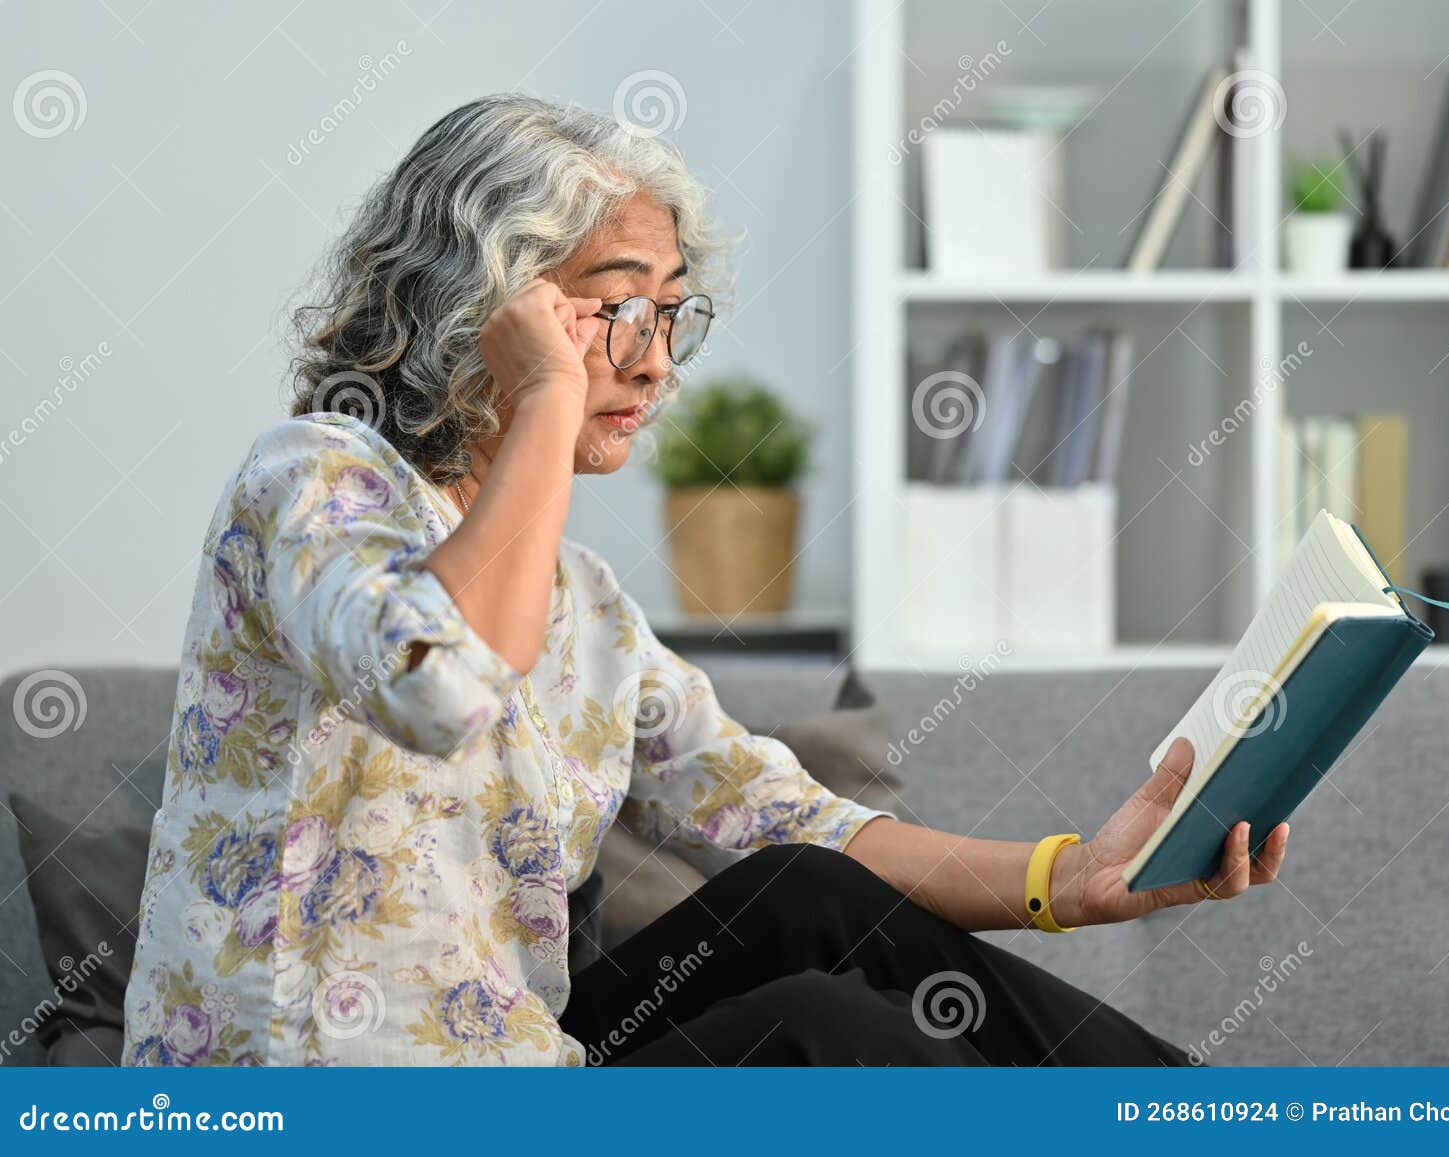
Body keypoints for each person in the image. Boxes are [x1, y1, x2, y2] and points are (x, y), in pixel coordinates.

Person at [121, 94, 1289, 1067]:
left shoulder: (585, 603)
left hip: (515, 1077)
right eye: (618, 306)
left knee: (806, 894)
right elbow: (442, 682)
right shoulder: (315, 479)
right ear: (486, 302)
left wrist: (1070, 877)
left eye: (671, 312)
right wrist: (546, 397)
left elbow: (795, 818)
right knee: (821, 1028)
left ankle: (1198, 1118)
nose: (656, 364)